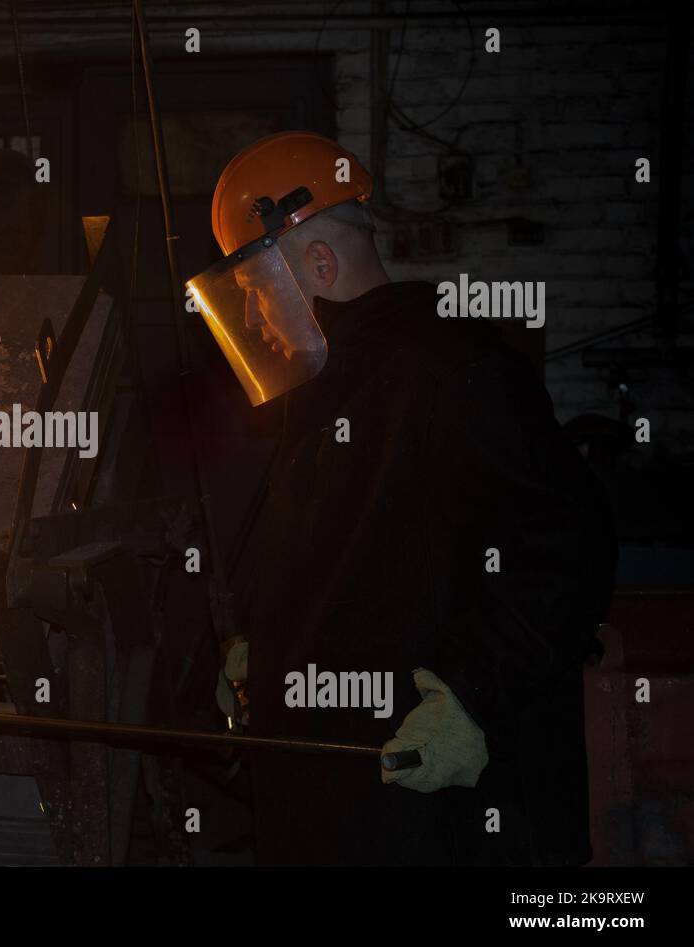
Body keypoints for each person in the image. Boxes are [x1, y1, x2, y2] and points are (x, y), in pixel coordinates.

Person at [190, 131, 617, 865]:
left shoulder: (458, 374)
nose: (255, 322)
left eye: (259, 294)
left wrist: (473, 698)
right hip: (337, 803)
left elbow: (568, 553)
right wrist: (268, 650)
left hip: (441, 817)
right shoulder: (324, 396)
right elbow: (349, 570)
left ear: (319, 264)